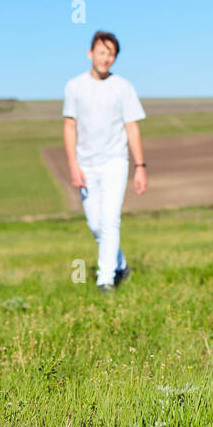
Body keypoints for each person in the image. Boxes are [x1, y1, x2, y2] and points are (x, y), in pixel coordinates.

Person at [63, 31, 148, 294]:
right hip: (86, 163)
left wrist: (140, 167)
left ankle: (105, 280)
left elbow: (132, 128)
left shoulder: (123, 87)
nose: (106, 58)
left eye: (111, 54)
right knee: (96, 224)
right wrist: (73, 165)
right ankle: (120, 264)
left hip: (115, 161)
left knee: (110, 220)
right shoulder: (74, 86)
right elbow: (69, 126)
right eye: (102, 52)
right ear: (90, 54)